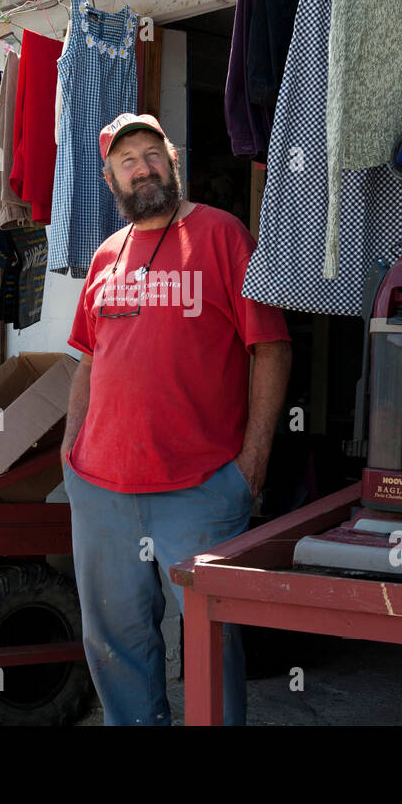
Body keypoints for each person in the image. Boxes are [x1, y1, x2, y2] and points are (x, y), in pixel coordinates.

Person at [61, 112, 292, 725]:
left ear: (172, 160)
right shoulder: (106, 255)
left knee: (213, 639)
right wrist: (70, 447)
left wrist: (253, 462)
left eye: (152, 154)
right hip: (101, 489)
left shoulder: (223, 235)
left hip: (201, 487)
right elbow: (88, 358)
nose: (143, 168)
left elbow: (270, 347)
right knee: (114, 641)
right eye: (127, 161)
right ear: (110, 178)